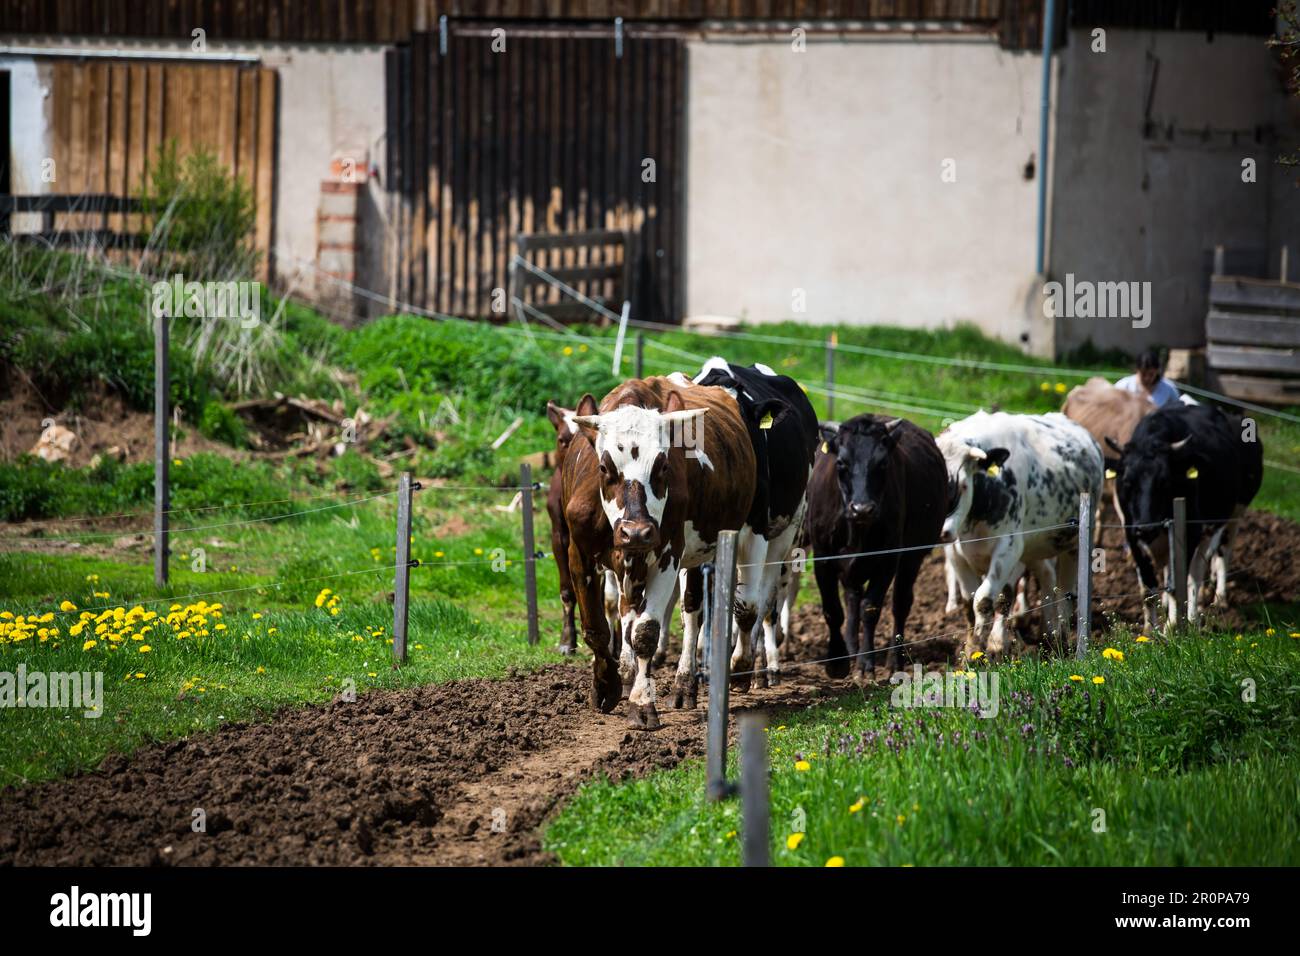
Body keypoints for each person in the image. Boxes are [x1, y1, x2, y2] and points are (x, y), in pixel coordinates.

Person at [1115, 348, 1182, 408]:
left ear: (1157, 370)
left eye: (1151, 374)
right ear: (1137, 370)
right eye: (1143, 374)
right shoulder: (1123, 386)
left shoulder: (1169, 388)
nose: (1147, 378)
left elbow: (1178, 411)